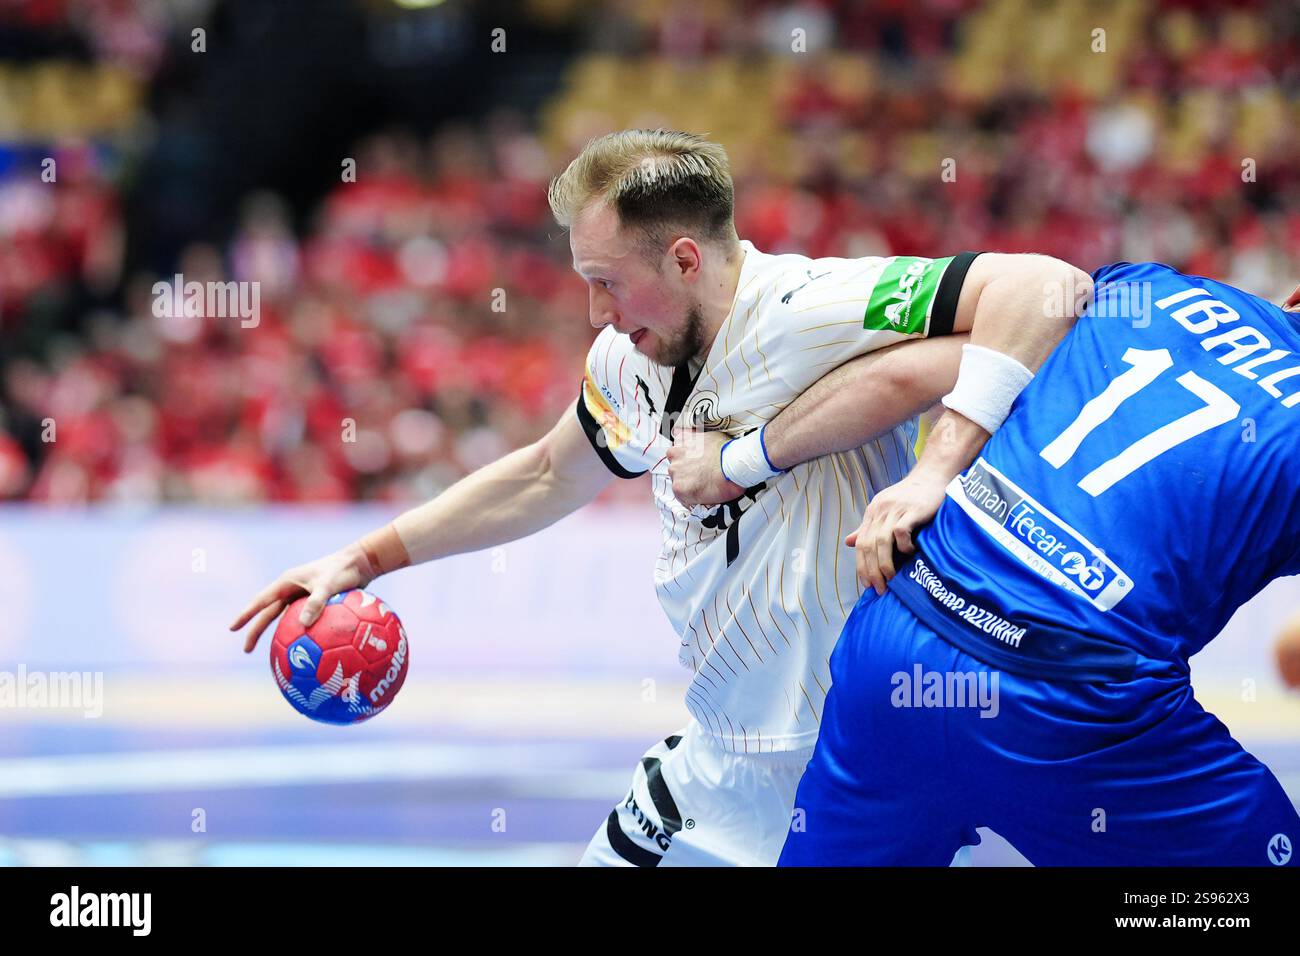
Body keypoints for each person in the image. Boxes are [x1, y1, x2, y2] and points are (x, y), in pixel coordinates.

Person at [231, 129, 1089, 866]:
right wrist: (368, 556)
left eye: (607, 280)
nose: (596, 310)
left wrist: (932, 469)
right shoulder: (628, 359)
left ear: (684, 257)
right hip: (719, 758)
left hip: (845, 756)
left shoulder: (805, 307)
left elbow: (1049, 289)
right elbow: (542, 474)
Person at [778, 261, 1300, 866]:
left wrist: (933, 470)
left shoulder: (1148, 284)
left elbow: (952, 355)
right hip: (1074, 703)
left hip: (901, 627)